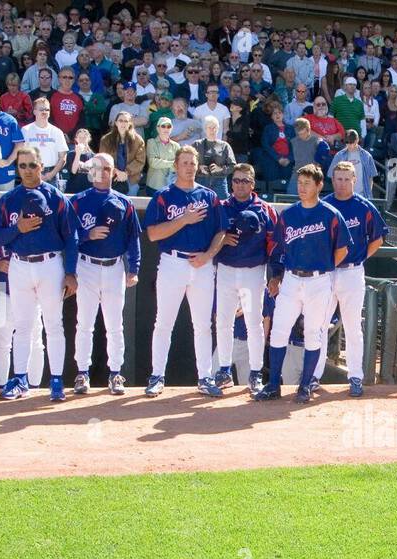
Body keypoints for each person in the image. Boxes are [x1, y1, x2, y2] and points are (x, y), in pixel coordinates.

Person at [0, 144, 79, 402]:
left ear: (41, 166)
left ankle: (56, 380)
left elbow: (71, 237)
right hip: (20, 264)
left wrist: (71, 272)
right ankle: (19, 379)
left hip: (50, 264)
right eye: (22, 165)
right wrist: (18, 228)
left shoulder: (57, 197)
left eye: (31, 165)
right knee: (22, 326)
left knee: (53, 325)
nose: (26, 170)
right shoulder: (8, 200)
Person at [254, 163, 350, 404]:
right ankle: (273, 384)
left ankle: (305, 386)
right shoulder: (288, 214)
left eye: (308, 183)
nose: (302, 187)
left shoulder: (330, 214)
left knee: (312, 333)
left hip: (319, 280)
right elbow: (277, 249)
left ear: (319, 185)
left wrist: (325, 267)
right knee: (278, 332)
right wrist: (276, 276)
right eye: (300, 183)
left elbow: (342, 249)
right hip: (291, 279)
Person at [142, 144, 228, 398]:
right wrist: (183, 220)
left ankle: (205, 377)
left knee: (202, 325)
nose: (189, 167)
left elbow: (221, 231)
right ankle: (157, 375)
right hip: (172, 262)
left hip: (201, 265)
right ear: (176, 166)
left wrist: (208, 256)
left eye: (193, 163)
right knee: (163, 323)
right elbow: (153, 233)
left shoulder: (209, 196)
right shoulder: (163, 196)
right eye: (185, 163)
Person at [313, 161, 387, 396]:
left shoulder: (364, 207)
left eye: (347, 179)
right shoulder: (324, 205)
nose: (342, 183)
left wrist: (361, 257)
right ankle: (313, 376)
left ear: (354, 180)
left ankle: (355, 376)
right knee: (319, 325)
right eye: (338, 178)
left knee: (353, 327)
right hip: (326, 272)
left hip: (352, 272)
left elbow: (378, 238)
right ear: (331, 180)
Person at [69, 153, 141, 396]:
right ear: (91, 171)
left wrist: (134, 268)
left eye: (108, 168)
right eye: (98, 168)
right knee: (85, 323)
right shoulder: (78, 201)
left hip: (114, 266)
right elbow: (68, 237)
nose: (103, 172)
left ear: (114, 172)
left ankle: (115, 374)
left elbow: (134, 238)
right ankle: (82, 373)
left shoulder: (124, 201)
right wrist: (87, 234)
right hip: (87, 265)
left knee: (114, 324)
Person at [213, 162, 277, 393]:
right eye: (236, 180)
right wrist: (221, 242)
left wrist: (275, 274)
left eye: (244, 180)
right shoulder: (221, 206)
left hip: (252, 272)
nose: (240, 185)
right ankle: (223, 370)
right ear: (231, 182)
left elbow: (274, 243)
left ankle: (255, 372)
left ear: (252, 183)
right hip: (227, 271)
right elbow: (210, 237)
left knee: (253, 323)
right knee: (223, 322)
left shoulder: (265, 209)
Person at [0, 238, 46, 398]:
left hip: (32, 293)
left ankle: (34, 389)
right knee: (1, 342)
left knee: (35, 342)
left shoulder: (39, 225)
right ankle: (1, 387)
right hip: (2, 291)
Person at [22, 97, 68, 188]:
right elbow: (21, 156)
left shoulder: (57, 131)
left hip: (52, 175)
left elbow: (63, 157)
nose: (44, 112)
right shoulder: (25, 130)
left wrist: (50, 175)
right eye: (41, 109)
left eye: (47, 109)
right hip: (31, 173)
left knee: (52, 202)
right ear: (34, 111)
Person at [99, 109, 145, 195]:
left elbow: (140, 161)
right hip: (112, 178)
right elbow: (102, 160)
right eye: (120, 121)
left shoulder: (138, 140)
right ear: (116, 123)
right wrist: (116, 172)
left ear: (130, 124)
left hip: (131, 179)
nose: (123, 123)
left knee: (129, 206)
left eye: (126, 121)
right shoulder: (106, 140)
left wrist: (126, 173)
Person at [326, 128, 378, 199]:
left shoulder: (367, 156)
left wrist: (368, 195)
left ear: (357, 140)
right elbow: (332, 176)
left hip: (363, 197)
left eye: (351, 142)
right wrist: (338, 193)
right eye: (347, 142)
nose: (349, 144)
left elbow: (370, 177)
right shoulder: (339, 155)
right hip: (344, 197)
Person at [196, 114, 235, 199]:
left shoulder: (225, 146)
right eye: (209, 127)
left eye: (214, 127)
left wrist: (220, 169)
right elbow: (188, 164)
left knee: (222, 207)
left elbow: (233, 166)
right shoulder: (196, 144)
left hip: (220, 181)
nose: (212, 130)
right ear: (205, 129)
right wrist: (199, 168)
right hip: (201, 181)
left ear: (218, 129)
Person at [145, 116, 180, 193]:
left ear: (171, 129)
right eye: (163, 126)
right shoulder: (151, 142)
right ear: (158, 128)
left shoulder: (176, 146)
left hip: (171, 186)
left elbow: (179, 165)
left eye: (169, 126)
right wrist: (172, 163)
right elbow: (153, 162)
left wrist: (161, 162)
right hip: (154, 185)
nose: (166, 129)